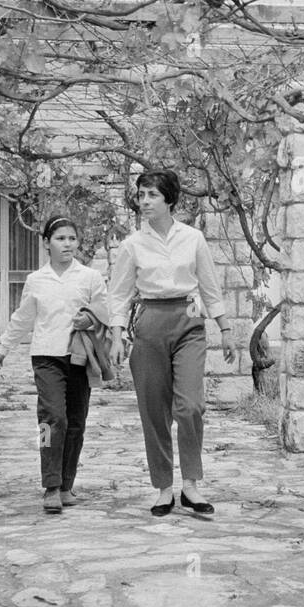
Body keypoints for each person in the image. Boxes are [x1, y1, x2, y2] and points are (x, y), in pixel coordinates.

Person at [108, 170, 236, 517]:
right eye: (141, 194)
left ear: (170, 200)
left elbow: (209, 287)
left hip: (188, 322)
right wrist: (117, 336)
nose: (144, 201)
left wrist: (225, 329)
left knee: (190, 407)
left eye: (151, 195)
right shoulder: (132, 245)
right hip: (149, 324)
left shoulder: (192, 238)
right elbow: (118, 295)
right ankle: (164, 488)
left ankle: (191, 485)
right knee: (154, 412)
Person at [0, 216, 110, 515]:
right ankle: (51, 486)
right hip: (46, 357)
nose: (67, 244)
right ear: (46, 243)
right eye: (60, 238)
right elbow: (24, 317)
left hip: (80, 357)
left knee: (76, 422)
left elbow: (106, 311)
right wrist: (4, 347)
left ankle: (67, 485)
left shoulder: (90, 277)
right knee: (50, 418)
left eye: (72, 238)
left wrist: (91, 319)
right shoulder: (36, 280)